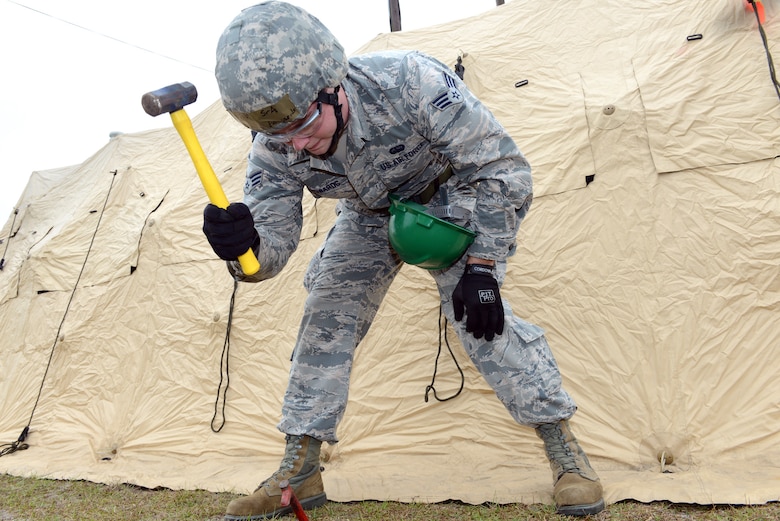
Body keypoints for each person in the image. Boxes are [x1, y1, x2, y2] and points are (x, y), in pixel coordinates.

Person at [203, 2, 605, 518]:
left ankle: (565, 452)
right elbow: (269, 251)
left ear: (333, 84)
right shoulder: (276, 144)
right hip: (369, 214)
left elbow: (504, 171)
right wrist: (241, 247)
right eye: (278, 136)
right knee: (325, 316)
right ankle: (299, 470)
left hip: (451, 196)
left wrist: (482, 267)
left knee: (479, 319)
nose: (296, 144)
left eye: (304, 123)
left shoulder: (410, 81)